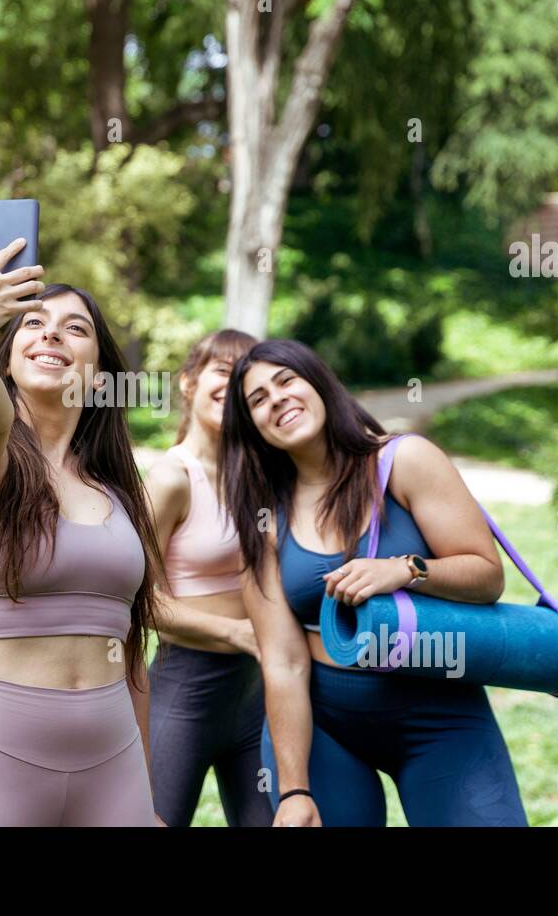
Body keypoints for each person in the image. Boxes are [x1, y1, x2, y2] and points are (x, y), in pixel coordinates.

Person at [220, 338, 528, 827]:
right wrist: (295, 789)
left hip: (442, 712)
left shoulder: (404, 460)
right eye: (257, 400)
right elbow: (282, 660)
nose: (276, 399)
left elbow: (487, 576)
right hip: (327, 727)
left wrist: (404, 569)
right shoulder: (262, 522)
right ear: (252, 428)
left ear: (318, 383)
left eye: (286, 381)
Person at [0, 238, 165, 826]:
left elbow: (130, 651)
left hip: (114, 769)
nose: (51, 334)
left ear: (98, 373)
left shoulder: (117, 489)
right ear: (6, 359)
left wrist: (145, 795)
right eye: (33, 323)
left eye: (75, 328)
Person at [142, 329, 273, 826]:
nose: (234, 384)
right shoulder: (171, 478)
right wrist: (237, 632)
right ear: (189, 383)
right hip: (185, 690)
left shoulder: (257, 474)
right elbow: (141, 602)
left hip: (254, 693)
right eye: (222, 370)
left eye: (246, 377)